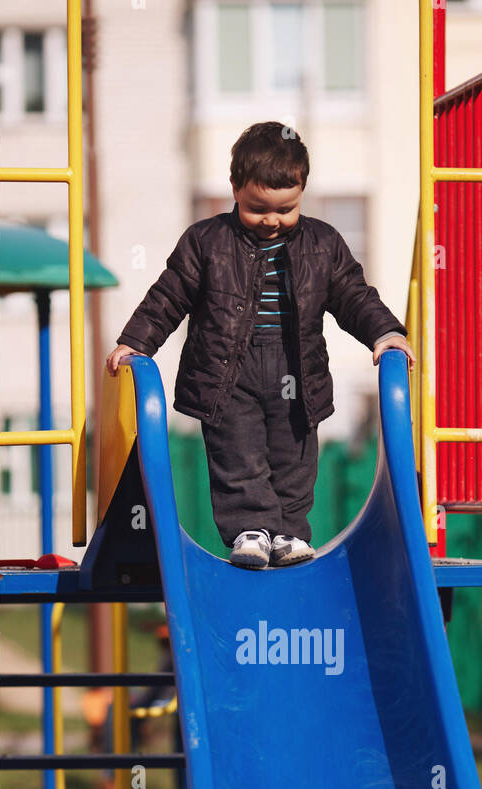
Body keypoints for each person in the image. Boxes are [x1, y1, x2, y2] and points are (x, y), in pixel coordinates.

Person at [106, 121, 415, 570]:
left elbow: (353, 295)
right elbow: (169, 294)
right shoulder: (206, 242)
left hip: (297, 371)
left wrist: (384, 332)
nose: (271, 220)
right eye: (257, 208)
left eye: (285, 209)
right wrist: (136, 341)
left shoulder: (322, 244)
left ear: (302, 191)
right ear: (234, 189)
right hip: (227, 371)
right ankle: (250, 529)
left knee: (295, 458)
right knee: (238, 453)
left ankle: (289, 532)